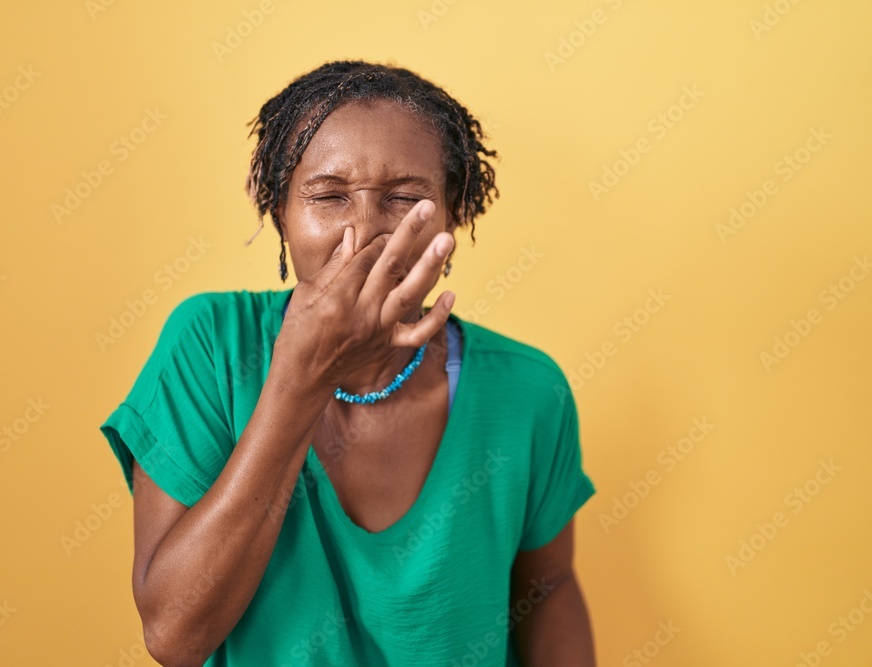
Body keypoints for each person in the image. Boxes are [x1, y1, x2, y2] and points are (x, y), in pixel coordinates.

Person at [100, 60, 597, 667]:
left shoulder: (527, 390)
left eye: (405, 200)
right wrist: (302, 379)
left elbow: (547, 590)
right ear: (277, 210)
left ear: (455, 213)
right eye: (329, 196)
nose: (362, 235)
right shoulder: (209, 346)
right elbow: (175, 636)